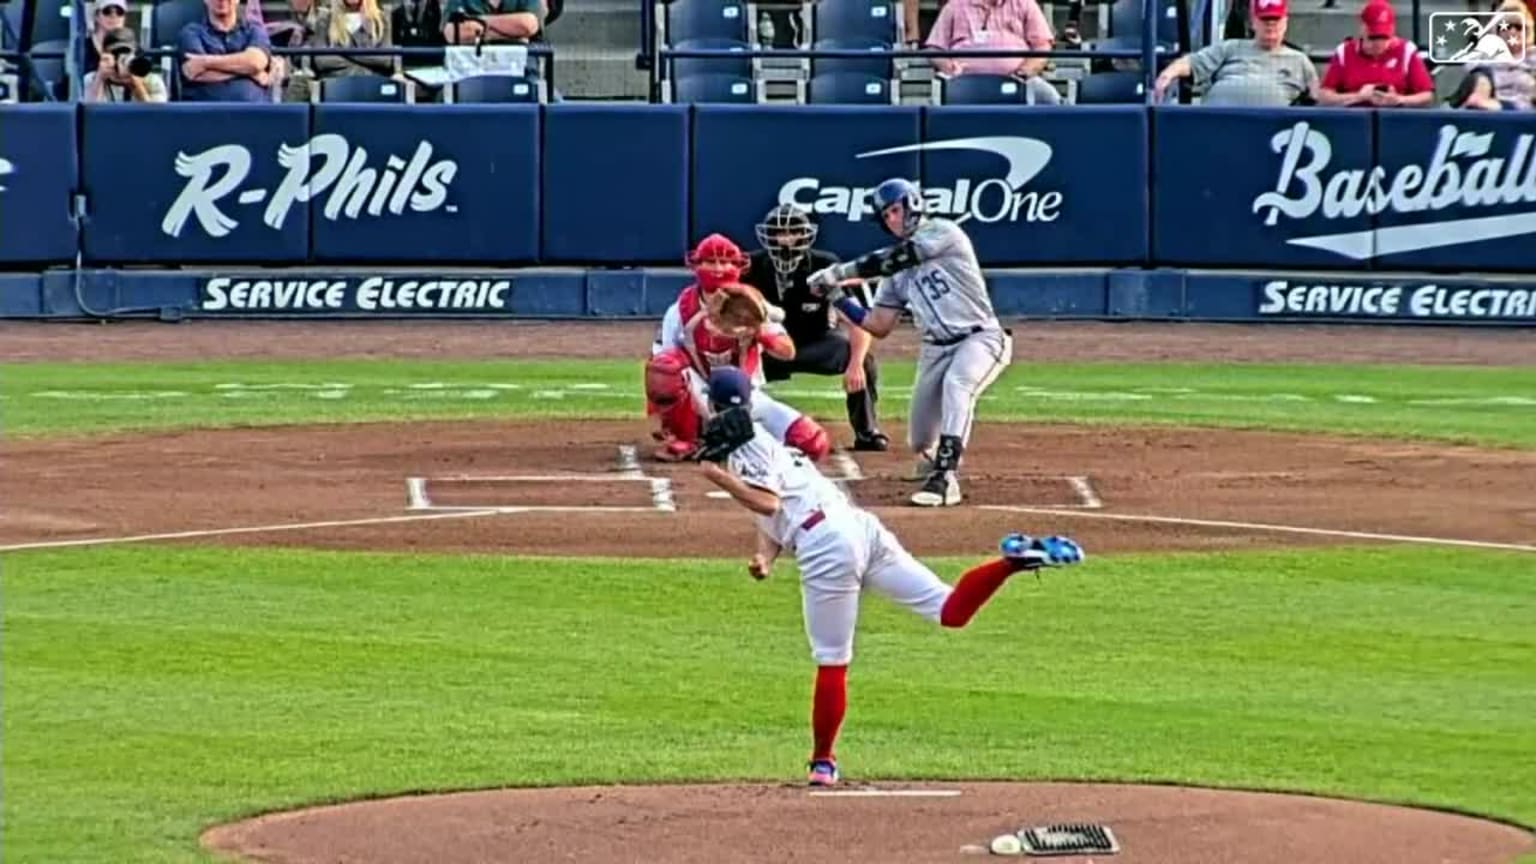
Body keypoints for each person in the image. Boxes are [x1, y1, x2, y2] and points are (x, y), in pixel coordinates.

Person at [695, 365, 1085, 787]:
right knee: (949, 611)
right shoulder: (770, 443)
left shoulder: (747, 449)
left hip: (826, 546)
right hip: (859, 528)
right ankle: (1012, 562)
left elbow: (769, 504)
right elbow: (776, 513)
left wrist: (718, 478)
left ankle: (822, 763)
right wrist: (764, 556)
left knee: (831, 659)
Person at [807, 178, 1014, 509]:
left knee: (958, 385)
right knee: (919, 439)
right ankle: (934, 459)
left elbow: (897, 258)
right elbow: (878, 326)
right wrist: (836, 295)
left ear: (912, 204)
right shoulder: (896, 276)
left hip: (980, 337)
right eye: (885, 215)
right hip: (935, 348)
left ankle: (945, 478)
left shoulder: (943, 233)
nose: (892, 218)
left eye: (894, 210)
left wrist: (836, 272)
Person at [645, 234, 832, 464]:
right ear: (696, 265)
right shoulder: (681, 310)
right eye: (710, 262)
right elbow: (662, 362)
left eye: (725, 262)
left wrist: (757, 331)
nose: (718, 268)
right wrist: (669, 418)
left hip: (742, 394)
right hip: (700, 391)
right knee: (666, 367)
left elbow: (788, 352)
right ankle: (686, 436)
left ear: (738, 266)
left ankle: (727, 433)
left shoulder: (752, 305)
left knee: (813, 442)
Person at [740, 204, 889, 453]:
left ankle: (867, 431)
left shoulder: (824, 264)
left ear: (804, 234)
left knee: (864, 361)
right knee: (726, 367)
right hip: (768, 345)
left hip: (815, 341)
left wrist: (854, 365)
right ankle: (725, 429)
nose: (786, 239)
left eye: (793, 231)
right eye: (780, 232)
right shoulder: (751, 266)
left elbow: (858, 320)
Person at [1153, 0, 1319, 107]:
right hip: (1216, 123)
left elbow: (1318, 98)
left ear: (1285, 23)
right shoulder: (1230, 47)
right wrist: (1166, 76)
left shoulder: (1299, 60)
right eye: (1265, 20)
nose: (1270, 26)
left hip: (1269, 133)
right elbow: (1191, 62)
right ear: (1253, 22)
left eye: (1275, 20)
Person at [1316, 1, 1434, 108]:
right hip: (1354, 119)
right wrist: (1358, 97)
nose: (1378, 44)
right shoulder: (1344, 52)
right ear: (1362, 29)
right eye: (1373, 38)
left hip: (1396, 119)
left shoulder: (1407, 51)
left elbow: (1426, 95)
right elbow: (1325, 95)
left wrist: (1399, 99)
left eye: (1384, 37)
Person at [84, 26, 170, 102]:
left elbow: (156, 116)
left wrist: (137, 84)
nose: (122, 58)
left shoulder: (153, 81)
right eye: (116, 53)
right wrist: (100, 78)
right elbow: (89, 114)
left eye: (127, 52)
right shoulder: (92, 80)